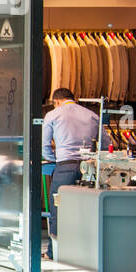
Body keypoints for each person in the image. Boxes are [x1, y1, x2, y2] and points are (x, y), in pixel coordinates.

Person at [43, 87, 100, 257]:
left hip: (65, 166)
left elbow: (44, 145)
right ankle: (84, 252)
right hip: (88, 167)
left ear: (57, 101)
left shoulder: (53, 115)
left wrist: (53, 158)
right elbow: (105, 142)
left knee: (58, 209)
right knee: (85, 210)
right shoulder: (91, 115)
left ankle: (54, 252)